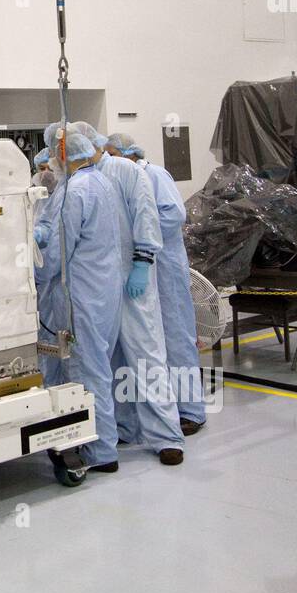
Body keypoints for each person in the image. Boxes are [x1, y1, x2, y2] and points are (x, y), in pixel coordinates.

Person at [65, 125, 182, 465]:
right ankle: (124, 427)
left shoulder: (123, 170)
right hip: (100, 285)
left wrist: (143, 262)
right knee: (111, 361)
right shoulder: (81, 180)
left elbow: (146, 216)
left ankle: (166, 436)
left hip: (133, 279)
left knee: (146, 355)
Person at [34, 128, 123, 472]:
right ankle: (103, 445)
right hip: (103, 291)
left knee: (86, 372)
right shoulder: (101, 182)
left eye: (53, 155)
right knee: (98, 368)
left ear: (62, 155)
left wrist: (36, 274)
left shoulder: (74, 190)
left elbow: (57, 252)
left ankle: (100, 452)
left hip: (80, 295)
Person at [108, 134, 205, 434]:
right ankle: (143, 414)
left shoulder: (155, 174)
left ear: (128, 152)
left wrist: (141, 240)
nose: (110, 160)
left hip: (165, 268)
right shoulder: (124, 179)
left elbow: (173, 215)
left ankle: (191, 410)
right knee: (145, 343)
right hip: (140, 266)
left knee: (176, 336)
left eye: (113, 153)